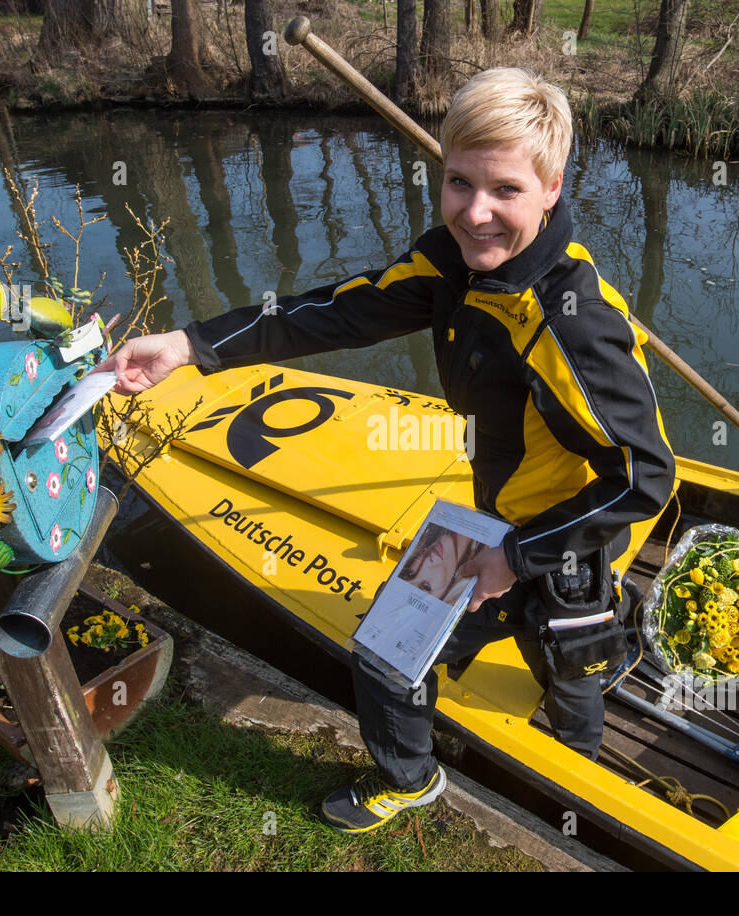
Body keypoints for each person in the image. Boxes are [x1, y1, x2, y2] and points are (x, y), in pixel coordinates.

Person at [93, 67, 677, 834]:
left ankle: (566, 809)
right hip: (495, 521)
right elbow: (331, 315)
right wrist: (190, 344)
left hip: (565, 544)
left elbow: (644, 475)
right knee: (385, 648)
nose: (475, 213)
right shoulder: (451, 266)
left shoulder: (574, 322)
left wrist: (518, 555)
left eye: (504, 190)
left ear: (552, 187)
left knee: (572, 682)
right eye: (458, 182)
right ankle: (411, 777)